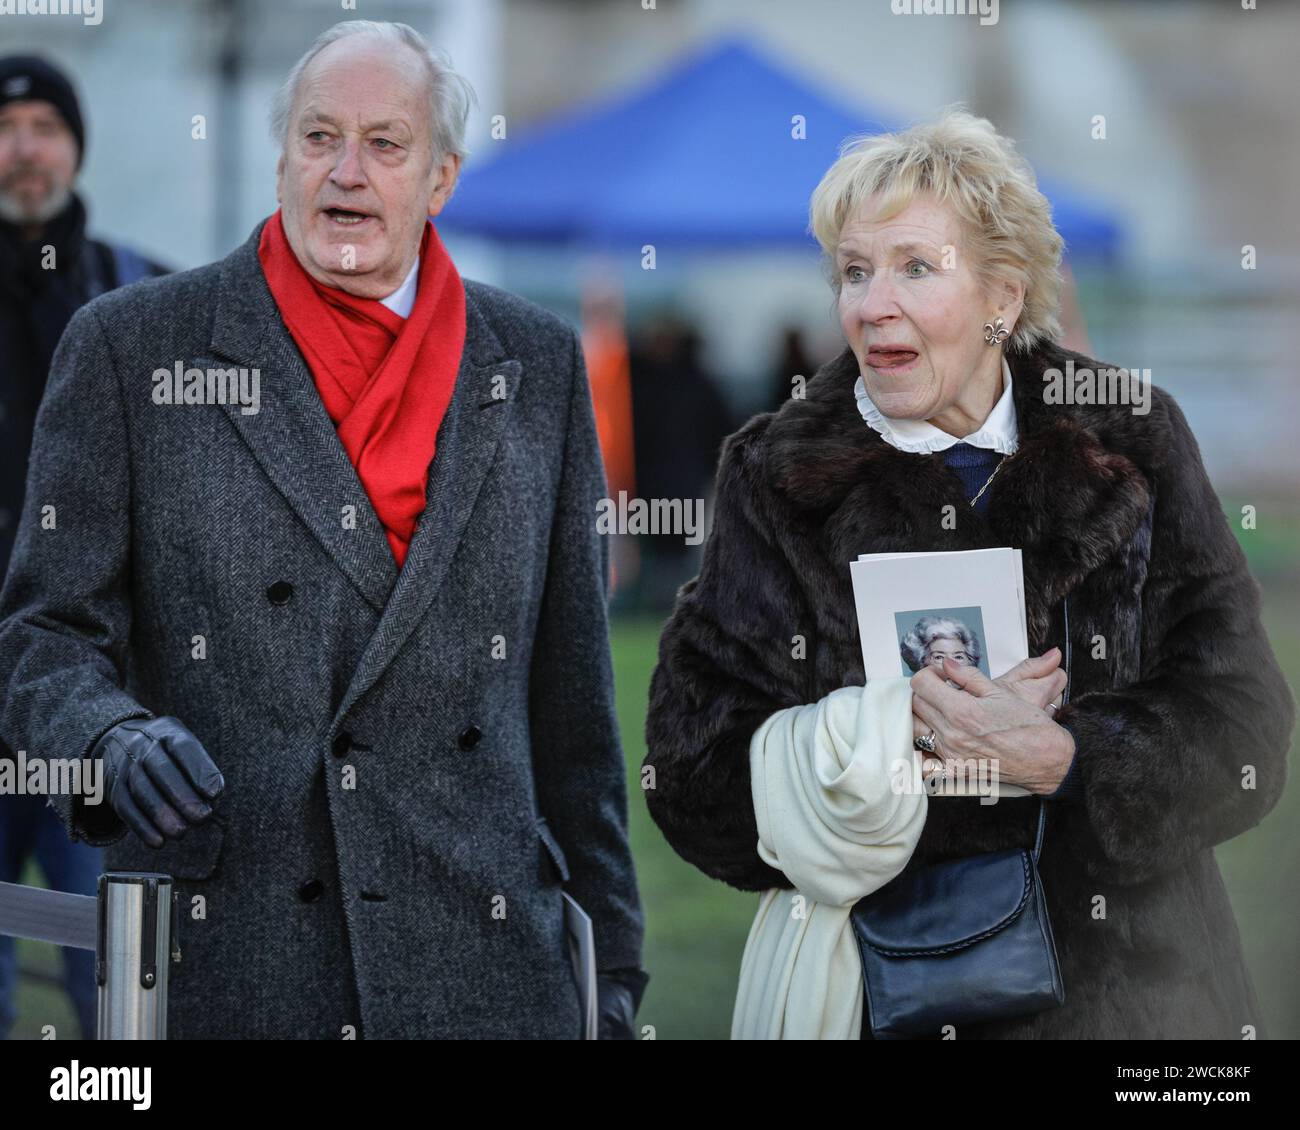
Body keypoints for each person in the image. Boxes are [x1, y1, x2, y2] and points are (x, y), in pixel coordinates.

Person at [0, 21, 646, 1039]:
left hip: (481, 964)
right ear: (282, 157)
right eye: (318, 137)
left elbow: (573, 705)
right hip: (234, 960)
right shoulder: (131, 346)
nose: (346, 172)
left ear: (439, 178)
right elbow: (41, 634)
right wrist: (107, 734)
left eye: (385, 143)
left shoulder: (537, 364)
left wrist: (610, 963)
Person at [643, 108, 1293, 1039]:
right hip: (893, 997)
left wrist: (1069, 758)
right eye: (855, 272)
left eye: (916, 267)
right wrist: (880, 736)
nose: (873, 304)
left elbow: (1246, 734)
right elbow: (690, 775)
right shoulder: (774, 473)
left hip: (1143, 1004)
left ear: (1003, 295)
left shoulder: (1136, 435)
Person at [0, 53, 167, 1041]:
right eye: (7, 125)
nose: (25, 148)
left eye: (45, 126)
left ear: (76, 145)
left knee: (106, 966)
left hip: (90, 701)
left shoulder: (138, 293)